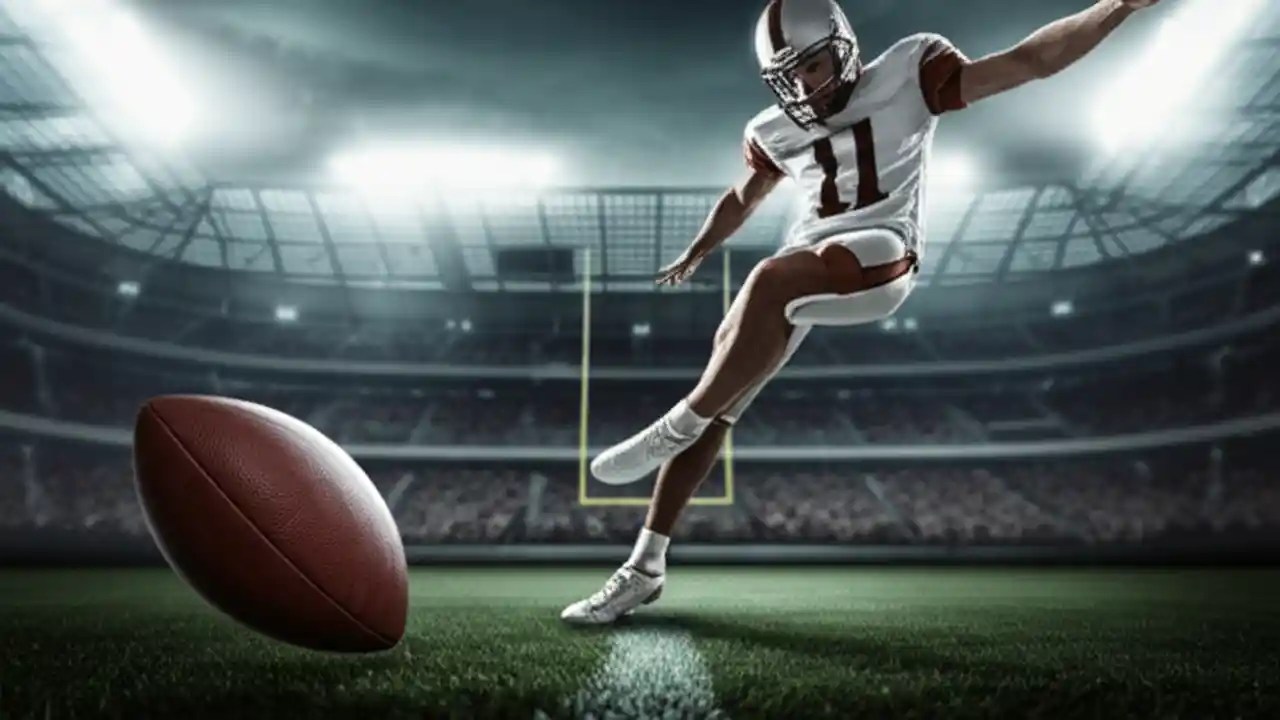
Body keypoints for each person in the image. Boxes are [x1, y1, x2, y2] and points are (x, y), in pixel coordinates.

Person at [561, 0, 1161, 624]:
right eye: (787, 76)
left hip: (882, 250)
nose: (802, 86)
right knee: (727, 381)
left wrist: (1116, 6)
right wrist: (698, 249)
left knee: (762, 291)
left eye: (812, 66)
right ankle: (644, 567)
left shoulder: (908, 70)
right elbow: (742, 197)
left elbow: (1032, 61)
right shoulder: (773, 128)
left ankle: (676, 423)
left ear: (842, 46)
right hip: (807, 260)